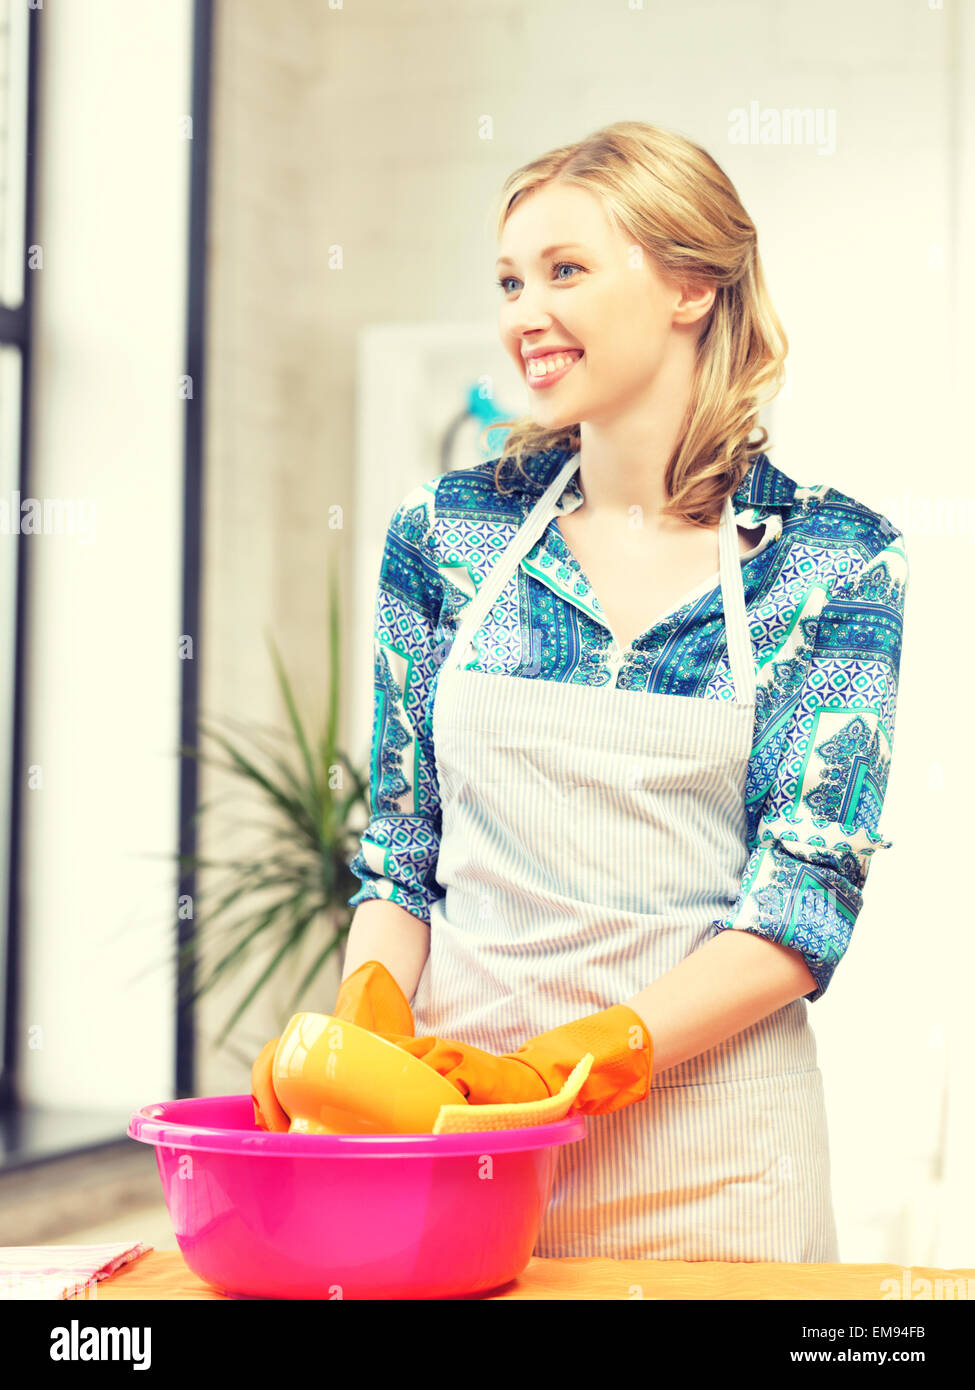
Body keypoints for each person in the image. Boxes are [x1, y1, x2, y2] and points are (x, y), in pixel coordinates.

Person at [259, 121, 909, 1263]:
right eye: (511, 279)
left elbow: (804, 896)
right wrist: (370, 1006)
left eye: (566, 271)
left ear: (692, 285)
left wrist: (573, 1062)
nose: (523, 313)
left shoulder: (831, 560)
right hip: (463, 1147)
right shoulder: (449, 535)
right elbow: (404, 843)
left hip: (714, 1164)